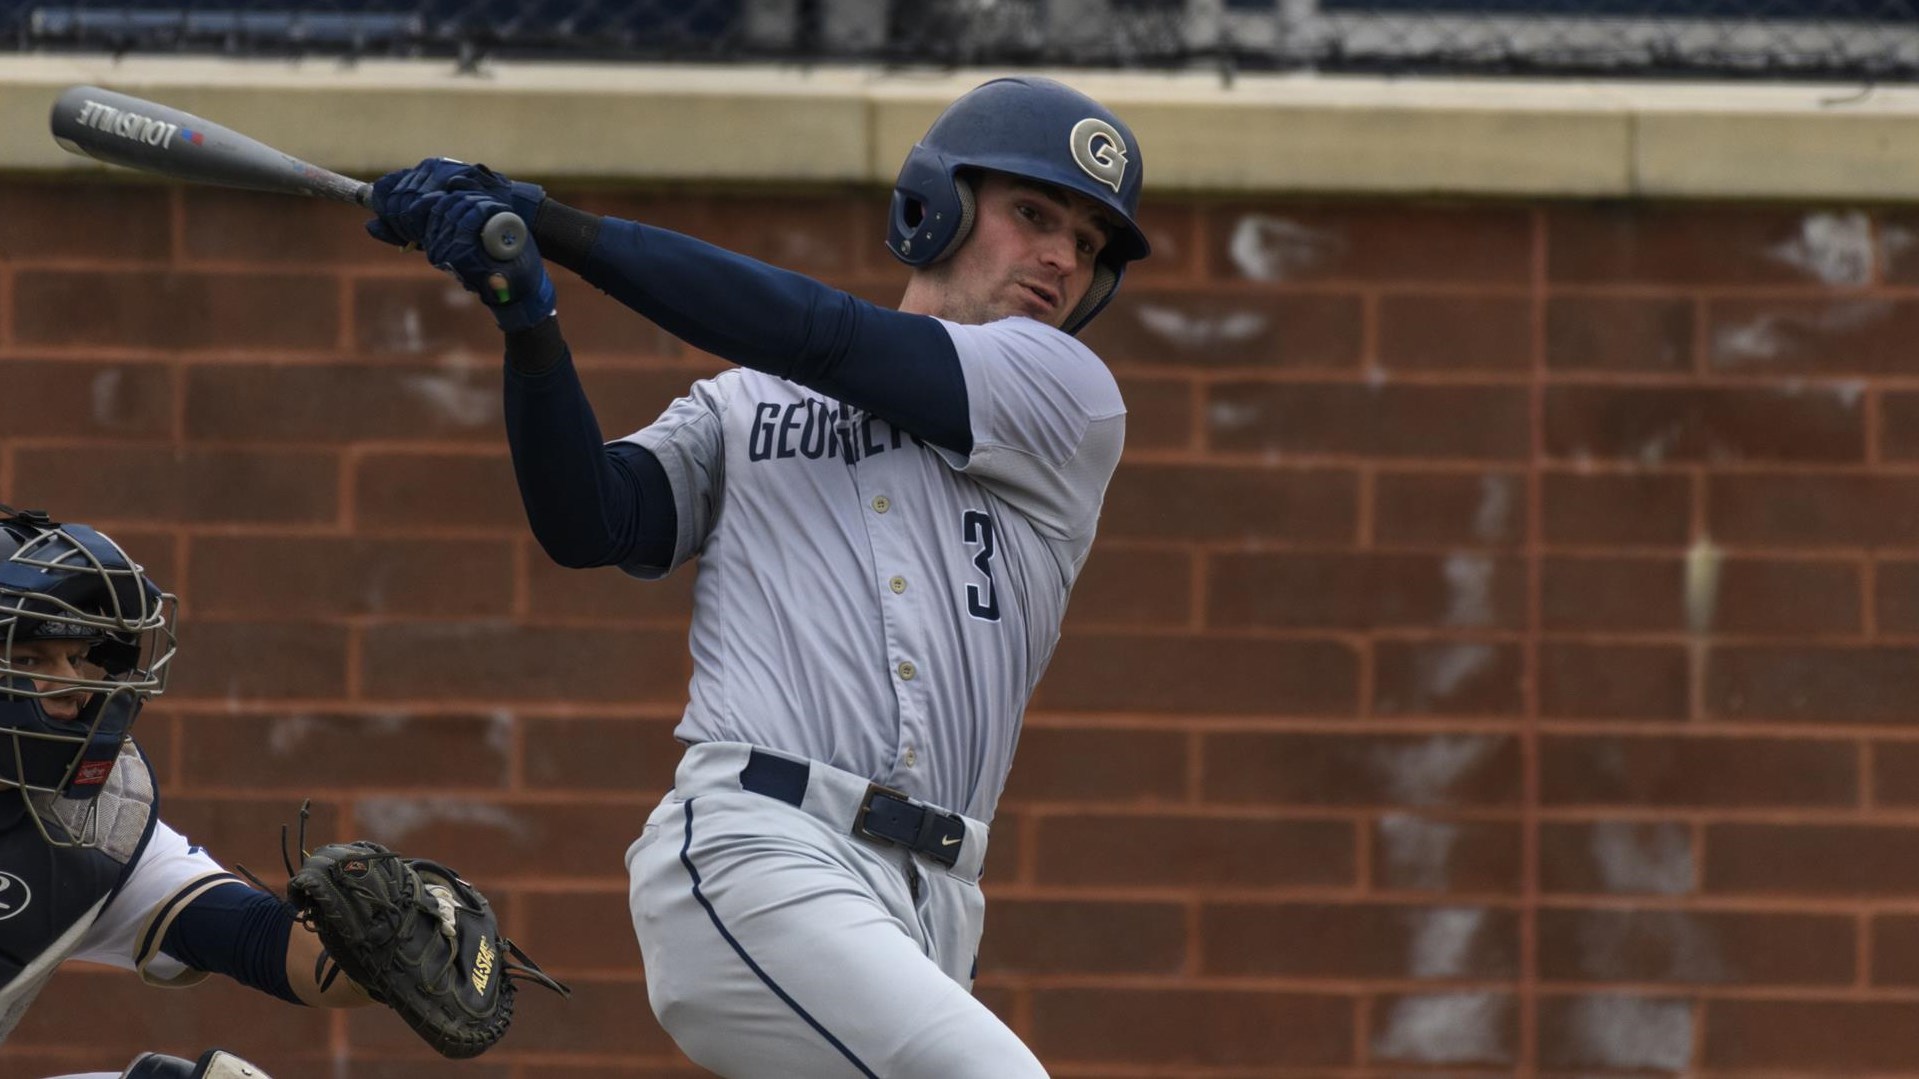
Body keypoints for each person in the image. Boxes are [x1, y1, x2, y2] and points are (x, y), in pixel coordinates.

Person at [368, 74, 1148, 1077]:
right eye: (1033, 213)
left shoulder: (1063, 398)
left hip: (934, 901)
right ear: (935, 207)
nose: (1058, 256)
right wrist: (526, 316)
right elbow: (590, 518)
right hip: (756, 848)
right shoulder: (743, 407)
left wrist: (549, 223)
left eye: (1087, 244)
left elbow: (822, 334)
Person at [0, 506, 369, 1079]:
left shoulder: (89, 820)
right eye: (29, 659)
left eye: (76, 659)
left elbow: (261, 939)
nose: (72, 688)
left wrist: (385, 951)